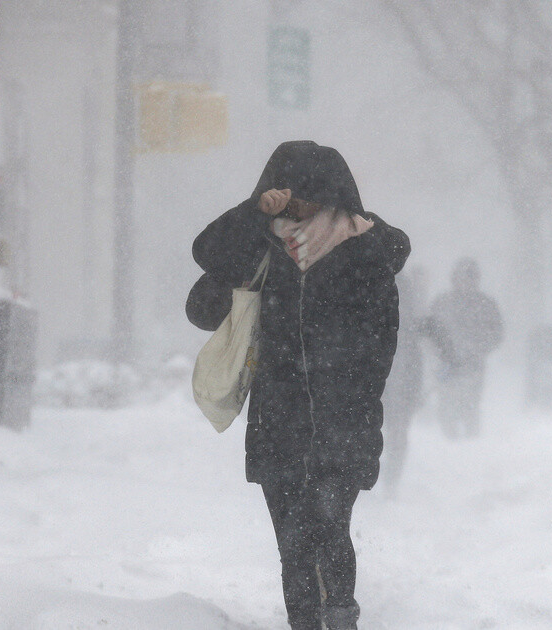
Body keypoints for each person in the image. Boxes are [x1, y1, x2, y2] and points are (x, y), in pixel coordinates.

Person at [188, 140, 409, 630]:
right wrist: (251, 213)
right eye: (278, 189)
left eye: (296, 191)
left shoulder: (366, 249)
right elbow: (204, 275)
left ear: (328, 191)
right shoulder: (263, 243)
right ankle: (305, 622)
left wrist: (348, 388)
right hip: (278, 419)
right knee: (292, 540)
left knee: (330, 524)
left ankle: (341, 614)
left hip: (344, 418)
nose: (288, 201)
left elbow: (381, 344)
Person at [380, 266, 453, 497]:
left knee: (394, 430)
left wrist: (448, 355)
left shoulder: (405, 315)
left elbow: (428, 327)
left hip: (396, 378)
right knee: (395, 431)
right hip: (391, 378)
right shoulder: (403, 308)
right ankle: (384, 481)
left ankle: (386, 482)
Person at [429, 257, 503, 439]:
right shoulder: (442, 302)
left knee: (470, 406)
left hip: (473, 366)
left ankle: (471, 446)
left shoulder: (486, 304)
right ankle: (450, 444)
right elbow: (429, 332)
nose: (466, 282)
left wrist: (478, 349)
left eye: (470, 278)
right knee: (447, 407)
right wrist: (441, 352)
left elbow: (497, 334)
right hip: (447, 365)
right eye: (461, 277)